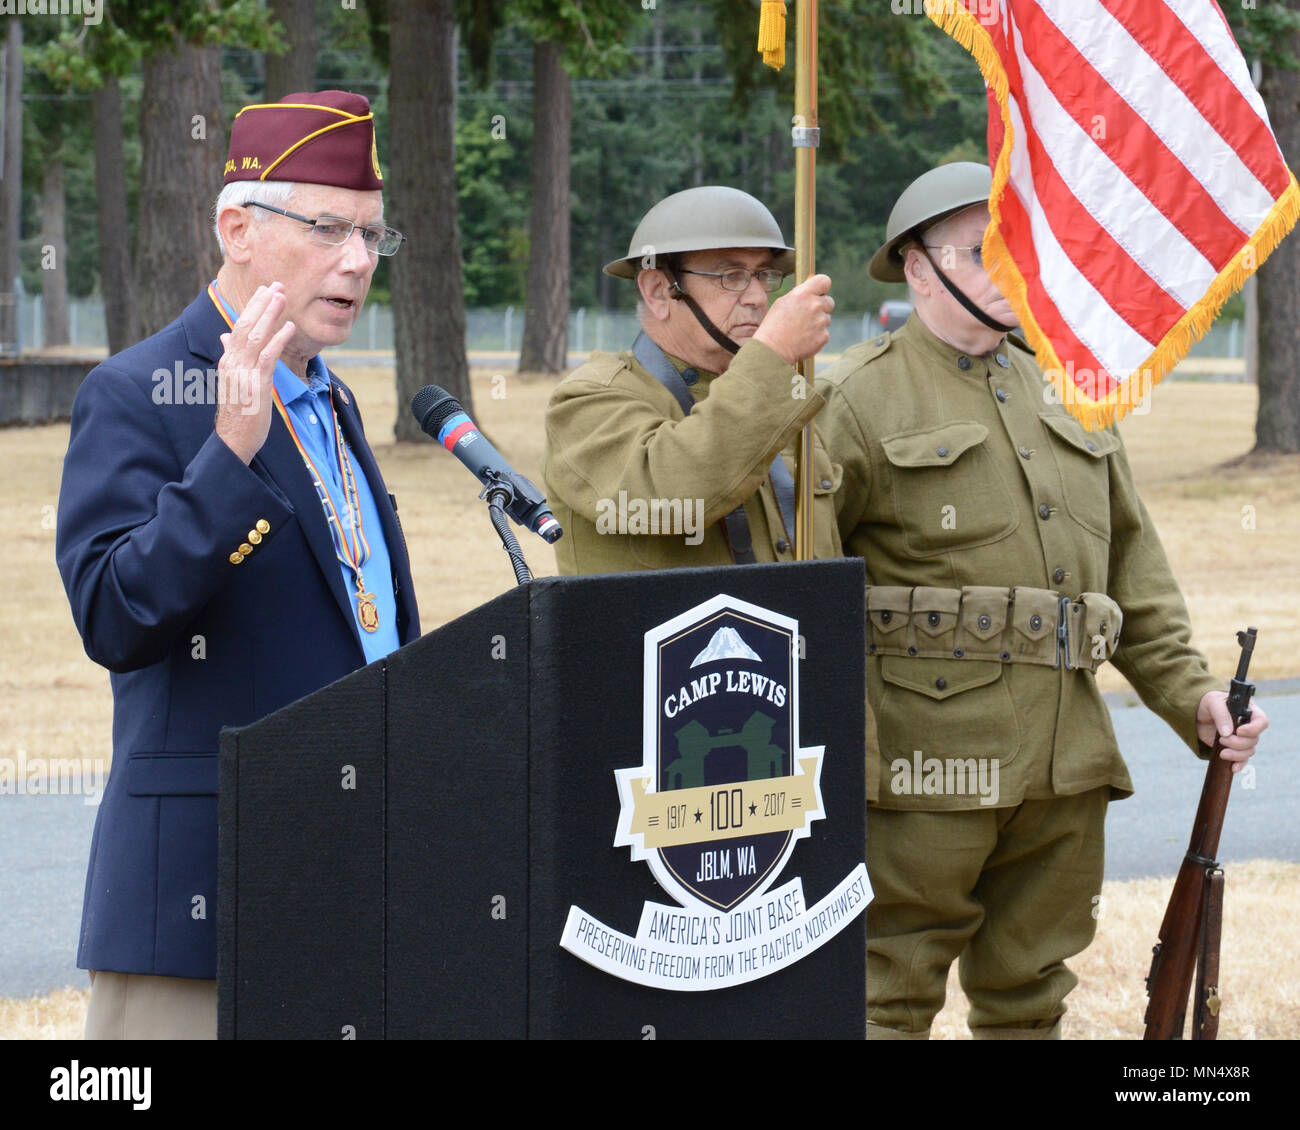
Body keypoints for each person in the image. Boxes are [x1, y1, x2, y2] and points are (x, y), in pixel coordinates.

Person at [815, 162, 1268, 1039]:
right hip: (925, 771)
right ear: (917, 268)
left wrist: (1196, 698)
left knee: (1032, 998)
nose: (1013, 267)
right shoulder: (856, 398)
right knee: (888, 995)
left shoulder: (1072, 385)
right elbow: (802, 594)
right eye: (985, 250)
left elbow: (1134, 574)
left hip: (1065, 769)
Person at [56, 90, 420, 1039]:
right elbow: (115, 617)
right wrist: (227, 453)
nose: (356, 261)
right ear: (237, 228)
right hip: (200, 904)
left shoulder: (334, 404)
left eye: (374, 236)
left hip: (348, 893)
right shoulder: (138, 390)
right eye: (328, 228)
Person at [541, 186, 841, 572]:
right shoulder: (588, 399)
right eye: (731, 276)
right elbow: (672, 495)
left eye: (764, 275)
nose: (757, 297)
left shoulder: (779, 393)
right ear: (658, 291)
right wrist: (775, 353)